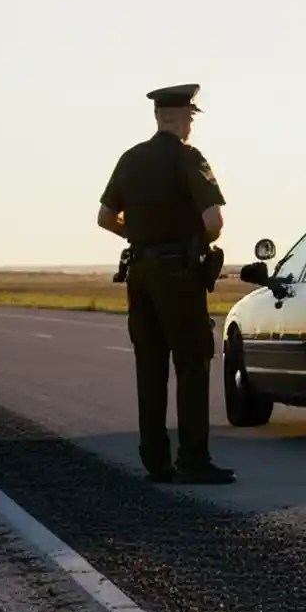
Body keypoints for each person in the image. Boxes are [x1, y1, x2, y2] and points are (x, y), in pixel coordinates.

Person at [95, 83, 235, 485]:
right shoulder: (189, 159)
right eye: (191, 117)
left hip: (140, 272)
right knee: (192, 363)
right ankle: (193, 459)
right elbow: (214, 223)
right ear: (183, 118)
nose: (191, 124)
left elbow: (105, 217)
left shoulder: (130, 159)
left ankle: (156, 461)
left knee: (150, 365)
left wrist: (139, 236)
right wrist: (192, 245)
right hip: (178, 273)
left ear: (158, 117)